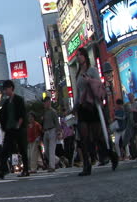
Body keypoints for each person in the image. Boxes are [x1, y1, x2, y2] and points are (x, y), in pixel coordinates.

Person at [68, 47, 117, 176]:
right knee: (83, 137)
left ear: (85, 56)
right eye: (77, 55)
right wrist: (74, 107)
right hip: (83, 107)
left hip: (93, 106)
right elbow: (78, 92)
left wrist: (89, 80)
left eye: (80, 55)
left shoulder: (92, 70)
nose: (78, 57)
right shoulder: (78, 74)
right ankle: (87, 164)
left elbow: (99, 85)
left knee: (98, 136)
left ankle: (111, 155)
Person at [0, 79, 29, 178]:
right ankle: (3, 170)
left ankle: (26, 170)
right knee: (5, 150)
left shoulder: (19, 99)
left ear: (11, 88)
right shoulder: (6, 102)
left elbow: (22, 114)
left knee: (22, 149)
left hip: (18, 128)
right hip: (9, 129)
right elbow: (1, 113)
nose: (5, 91)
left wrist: (19, 124)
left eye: (6, 89)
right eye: (4, 89)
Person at [42, 95, 59, 172]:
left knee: (51, 149)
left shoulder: (53, 111)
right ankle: (56, 160)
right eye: (44, 102)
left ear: (49, 102)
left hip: (52, 130)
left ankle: (52, 166)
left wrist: (58, 132)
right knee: (46, 151)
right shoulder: (44, 112)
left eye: (46, 102)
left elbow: (57, 122)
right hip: (46, 131)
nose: (45, 104)